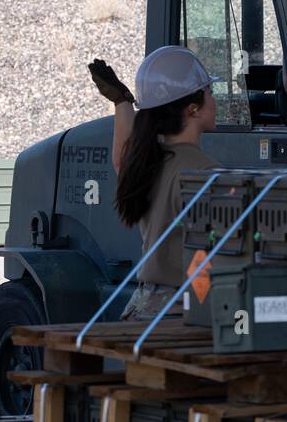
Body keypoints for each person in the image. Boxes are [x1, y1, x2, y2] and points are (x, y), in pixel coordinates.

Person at [88, 46, 220, 322]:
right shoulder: (205, 172)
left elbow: (122, 158)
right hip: (180, 312)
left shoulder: (147, 162)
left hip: (142, 308)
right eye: (209, 92)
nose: (214, 101)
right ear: (192, 107)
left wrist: (123, 103)